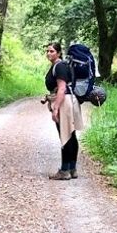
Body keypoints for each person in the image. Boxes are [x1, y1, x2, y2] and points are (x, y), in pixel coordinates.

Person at [43, 42, 84, 180]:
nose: (49, 53)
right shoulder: (63, 65)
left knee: (65, 135)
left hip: (64, 102)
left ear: (59, 53)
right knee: (71, 135)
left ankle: (64, 170)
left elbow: (61, 88)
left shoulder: (59, 66)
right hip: (71, 100)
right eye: (48, 51)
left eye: (52, 51)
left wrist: (56, 108)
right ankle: (72, 169)